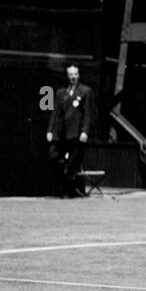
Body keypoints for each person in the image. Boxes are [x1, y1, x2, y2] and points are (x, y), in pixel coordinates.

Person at [46, 63, 97, 197]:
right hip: (60, 133)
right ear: (67, 76)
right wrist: (50, 130)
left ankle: (67, 190)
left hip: (76, 133)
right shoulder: (61, 92)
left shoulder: (85, 91)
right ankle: (65, 186)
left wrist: (85, 131)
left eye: (75, 74)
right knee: (53, 157)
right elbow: (55, 112)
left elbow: (87, 114)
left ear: (78, 75)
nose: (73, 77)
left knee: (73, 163)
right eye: (70, 74)